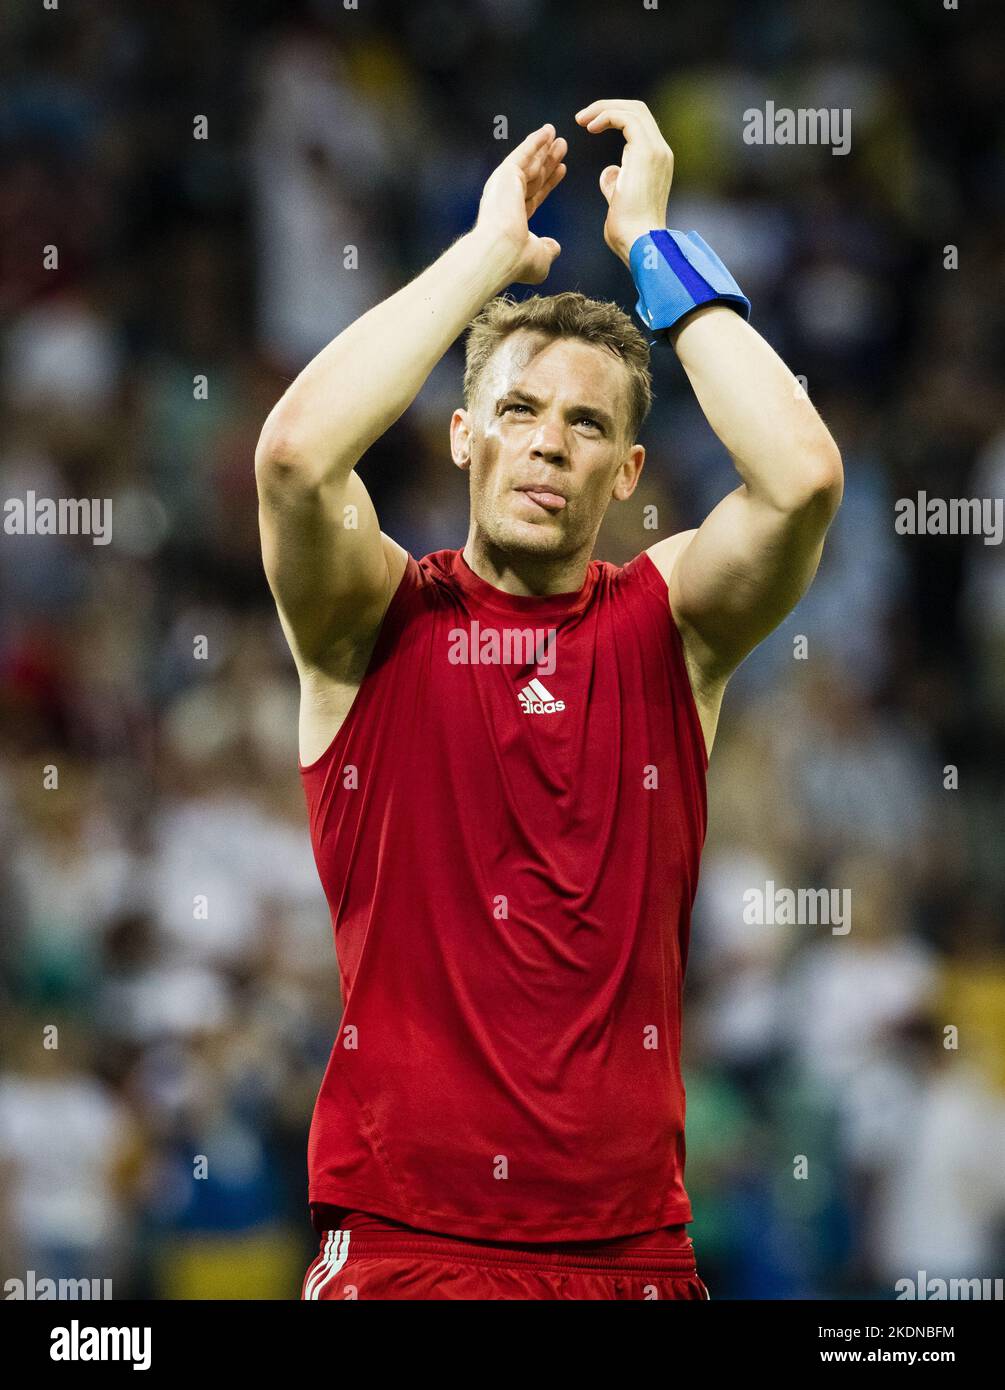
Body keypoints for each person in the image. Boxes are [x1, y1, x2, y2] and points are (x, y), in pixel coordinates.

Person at [255, 99, 843, 1301]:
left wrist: (652, 246)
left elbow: (801, 479)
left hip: (634, 1252)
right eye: (518, 411)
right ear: (464, 436)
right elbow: (296, 458)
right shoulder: (371, 620)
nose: (547, 444)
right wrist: (484, 259)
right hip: (411, 1244)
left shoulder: (667, 626)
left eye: (586, 426)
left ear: (628, 474)